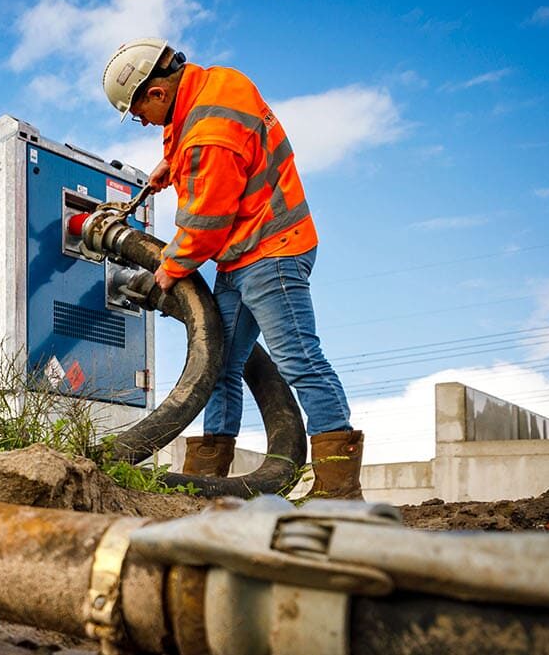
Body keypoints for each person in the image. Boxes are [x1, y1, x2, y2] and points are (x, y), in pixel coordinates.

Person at [100, 37, 363, 498]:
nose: (141, 122)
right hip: (243, 252)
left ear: (157, 92)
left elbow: (206, 219)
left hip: (271, 250)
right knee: (218, 363)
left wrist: (170, 270)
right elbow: (213, 146)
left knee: (299, 360)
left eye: (140, 112)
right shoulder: (215, 84)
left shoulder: (207, 136)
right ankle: (208, 483)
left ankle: (340, 488)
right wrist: (173, 162)